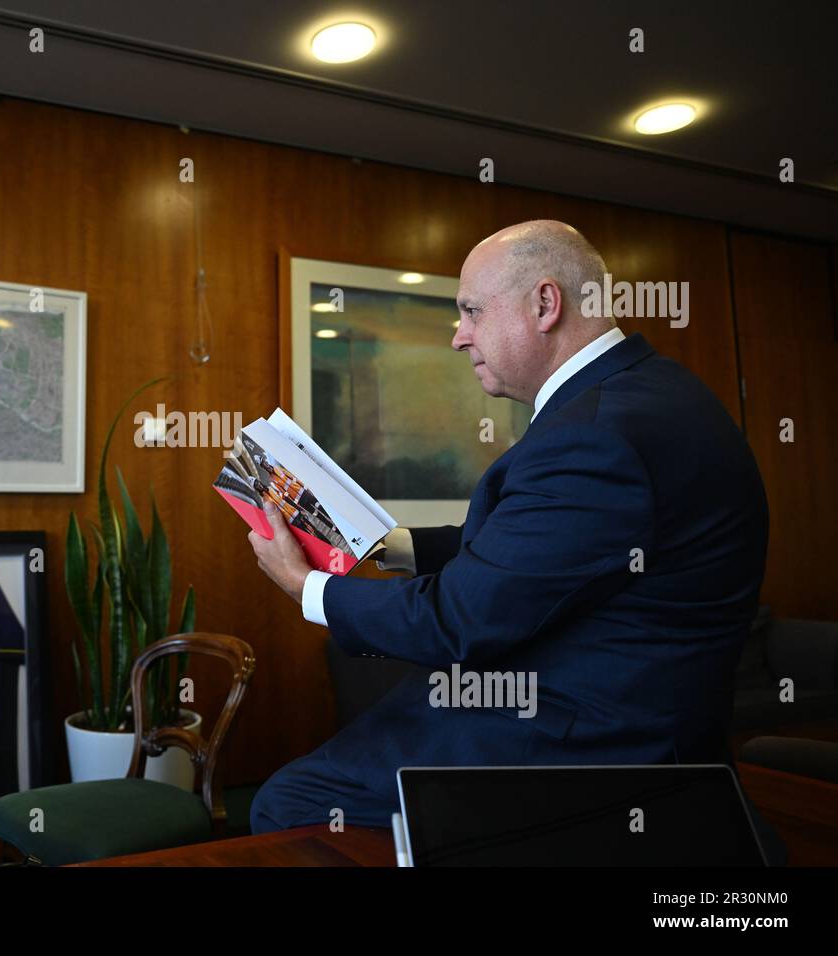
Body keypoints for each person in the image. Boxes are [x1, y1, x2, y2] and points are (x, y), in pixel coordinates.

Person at [246, 220, 768, 833]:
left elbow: (460, 620)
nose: (458, 338)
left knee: (290, 802)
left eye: (470, 311)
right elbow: (534, 548)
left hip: (589, 745)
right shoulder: (648, 393)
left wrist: (306, 587)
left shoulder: (593, 436)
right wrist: (393, 547)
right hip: (620, 709)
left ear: (545, 304)